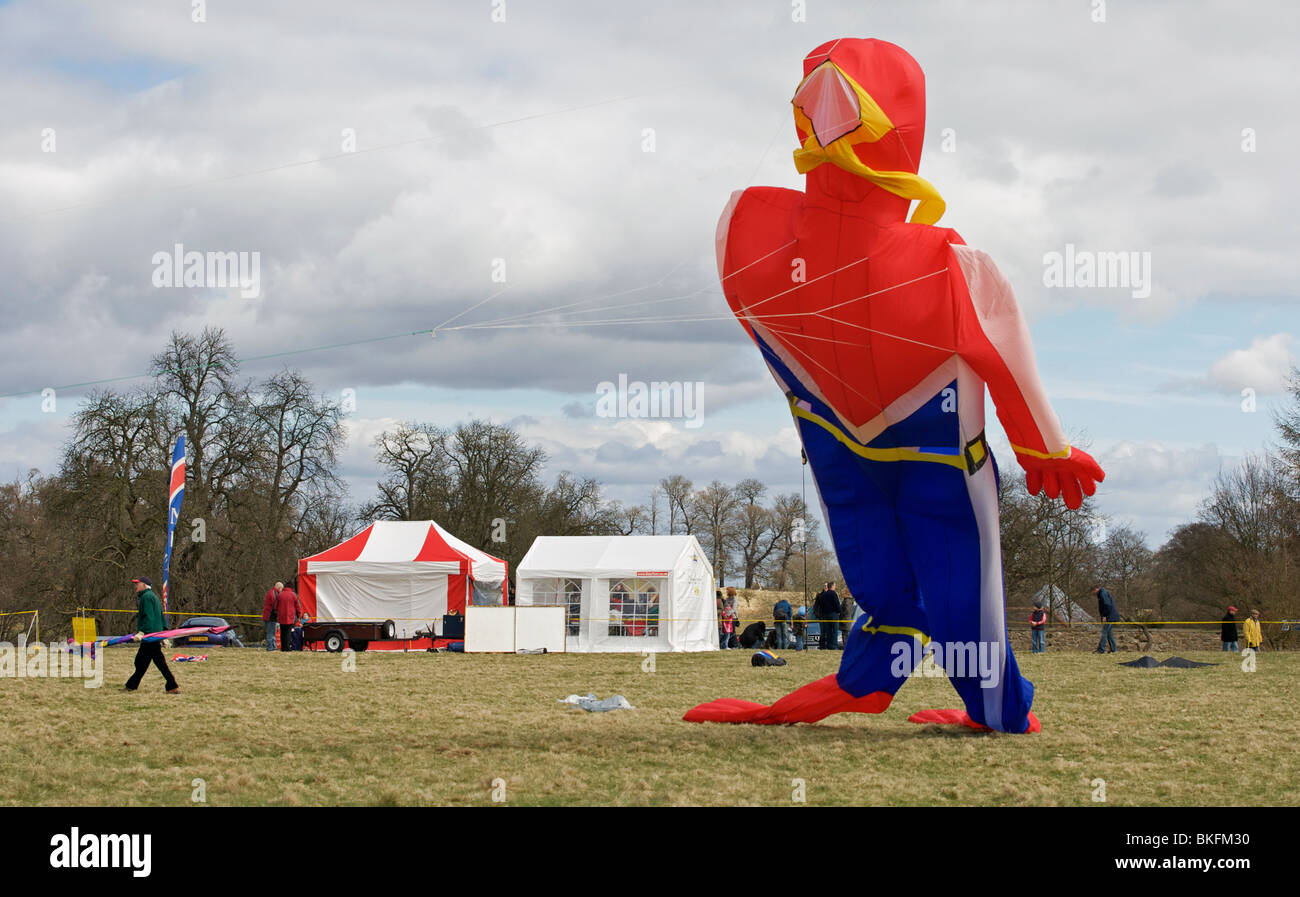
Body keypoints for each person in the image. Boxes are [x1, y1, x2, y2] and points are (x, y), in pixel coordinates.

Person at [123, 576, 179, 694]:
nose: (136, 586)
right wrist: (164, 633)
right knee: (145, 662)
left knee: (145, 662)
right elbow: (161, 615)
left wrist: (142, 632)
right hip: (154, 635)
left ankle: (172, 685)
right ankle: (131, 685)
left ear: (144, 585)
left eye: (137, 584)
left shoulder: (146, 597)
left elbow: (148, 616)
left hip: (149, 636)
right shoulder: (153, 596)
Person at [274, 582, 305, 653]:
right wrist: (299, 615)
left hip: (281, 617)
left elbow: (276, 606)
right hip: (290, 617)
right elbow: (298, 606)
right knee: (288, 632)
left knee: (283, 632)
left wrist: (277, 613)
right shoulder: (293, 595)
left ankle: (283, 647)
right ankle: (288, 648)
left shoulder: (280, 595)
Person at [813, 582, 841, 650]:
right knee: (834, 631)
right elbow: (836, 603)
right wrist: (839, 611)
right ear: (832, 586)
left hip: (825, 615)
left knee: (828, 631)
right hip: (833, 614)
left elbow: (821, 606)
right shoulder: (833, 593)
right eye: (834, 586)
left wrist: (822, 614)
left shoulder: (823, 595)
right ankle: (834, 646)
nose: (835, 587)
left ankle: (829, 645)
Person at [1093, 586, 1119, 654]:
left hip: (1110, 616)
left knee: (1104, 632)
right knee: (1109, 633)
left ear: (1096, 589)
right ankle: (1114, 649)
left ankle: (1101, 650)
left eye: (1093, 592)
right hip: (1111, 615)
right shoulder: (1102, 593)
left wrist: (1105, 616)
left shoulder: (1102, 593)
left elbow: (1107, 604)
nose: (1093, 594)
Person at [262, 582, 283, 651]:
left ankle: (273, 647)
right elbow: (275, 605)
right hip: (270, 616)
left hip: (270, 616)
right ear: (279, 588)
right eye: (281, 589)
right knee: (270, 633)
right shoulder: (273, 594)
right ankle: (270, 648)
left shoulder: (271, 592)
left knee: (272, 632)